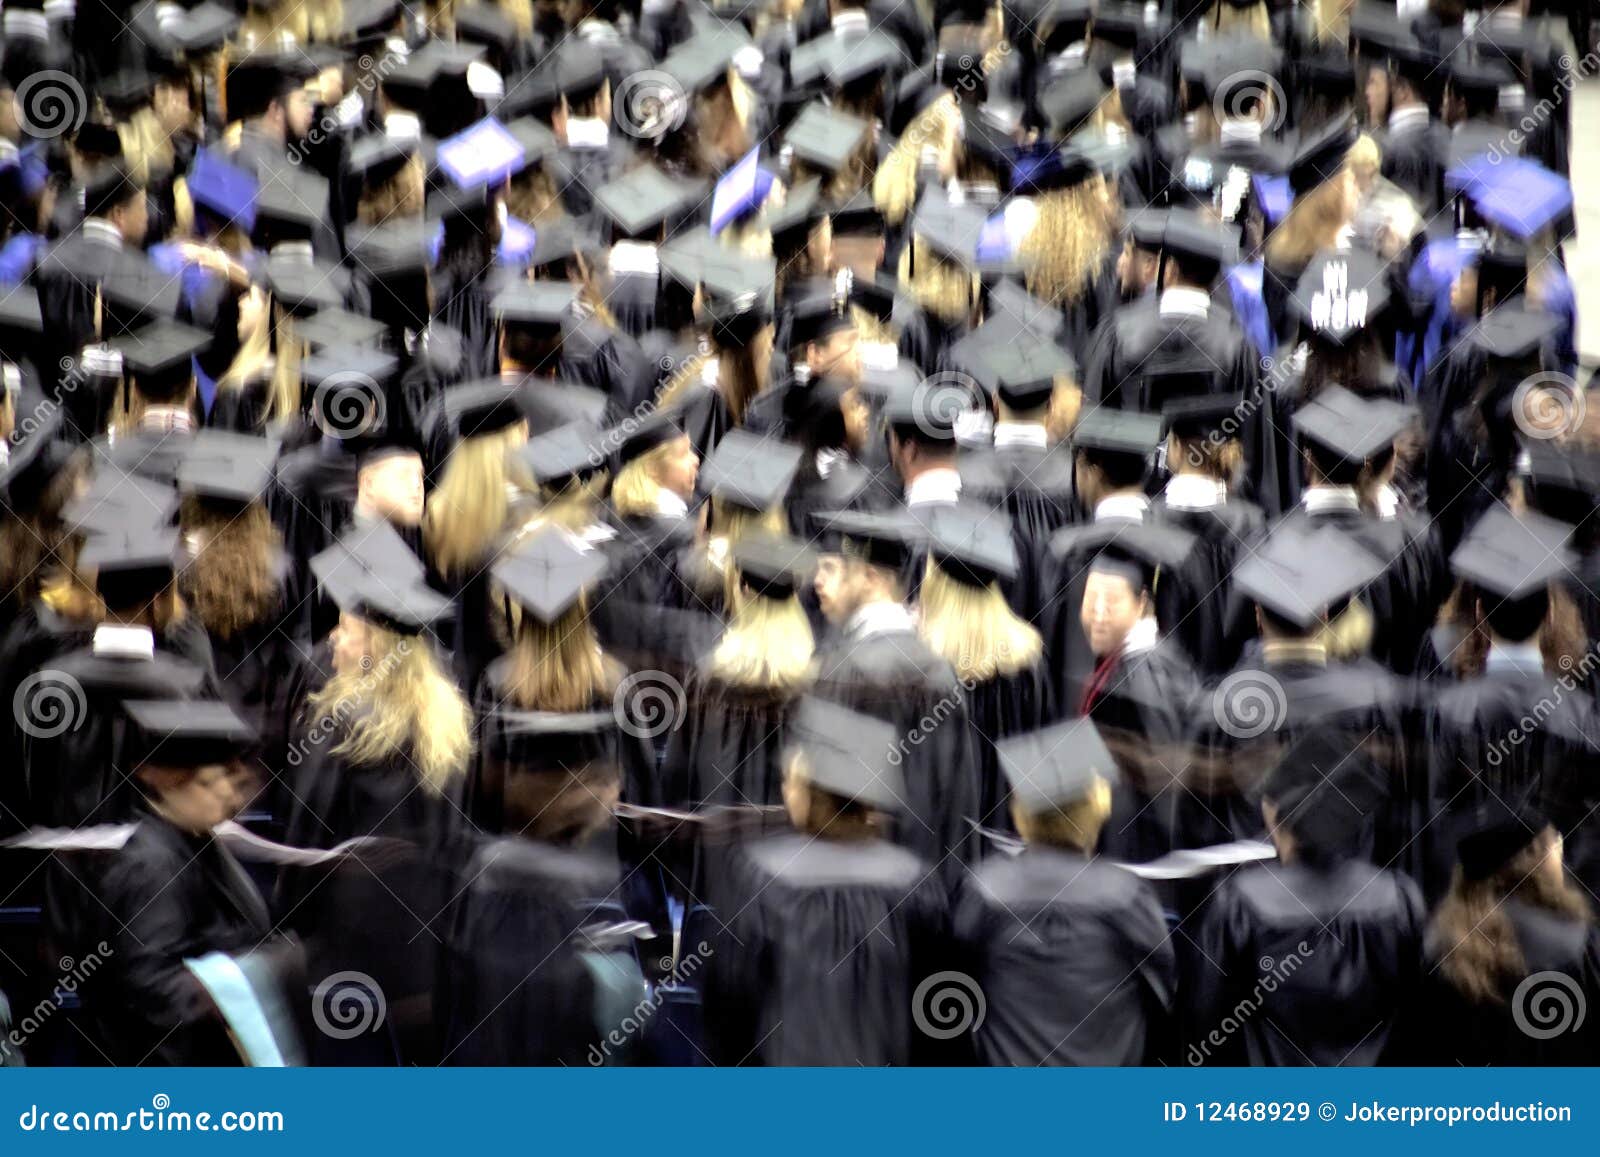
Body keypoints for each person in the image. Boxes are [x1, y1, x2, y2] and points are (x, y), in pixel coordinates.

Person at [702, 696, 946, 1066]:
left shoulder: (760, 876)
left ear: (810, 794)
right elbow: (938, 1010)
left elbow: (729, 1005)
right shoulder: (915, 883)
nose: (785, 790)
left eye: (791, 782)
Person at [64, 699, 285, 1066]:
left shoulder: (197, 839)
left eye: (228, 780)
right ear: (169, 785)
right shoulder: (152, 866)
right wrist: (237, 985)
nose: (227, 795)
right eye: (207, 783)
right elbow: (150, 985)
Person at [1189, 725, 1426, 1065]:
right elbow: (1420, 1022)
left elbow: (1206, 1022)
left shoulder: (1240, 904)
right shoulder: (1401, 898)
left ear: (1274, 814)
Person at [954, 718, 1175, 1065]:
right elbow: (1163, 997)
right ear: (1099, 806)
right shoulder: (1126, 896)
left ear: (1019, 813)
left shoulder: (984, 890)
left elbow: (955, 997)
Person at [1425, 506, 1600, 899]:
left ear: (1480, 613)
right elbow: (1590, 830)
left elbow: (1437, 819)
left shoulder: (1450, 710)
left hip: (1471, 909)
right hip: (1556, 904)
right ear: (1551, 612)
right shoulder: (1579, 713)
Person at [811, 509, 980, 874]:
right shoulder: (939, 669)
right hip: (926, 889)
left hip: (859, 895)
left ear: (872, 578)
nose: (817, 581)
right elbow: (956, 803)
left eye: (831, 569)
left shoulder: (845, 669)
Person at [1412, 802, 1600, 1065]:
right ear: (1535, 855)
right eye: (1553, 841)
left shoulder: (1440, 945)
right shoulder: (1580, 943)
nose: (1560, 845)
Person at [660, 532, 816, 807]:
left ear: (743, 587)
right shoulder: (816, 679)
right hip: (793, 840)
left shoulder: (711, 679)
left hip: (718, 838)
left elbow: (677, 779)